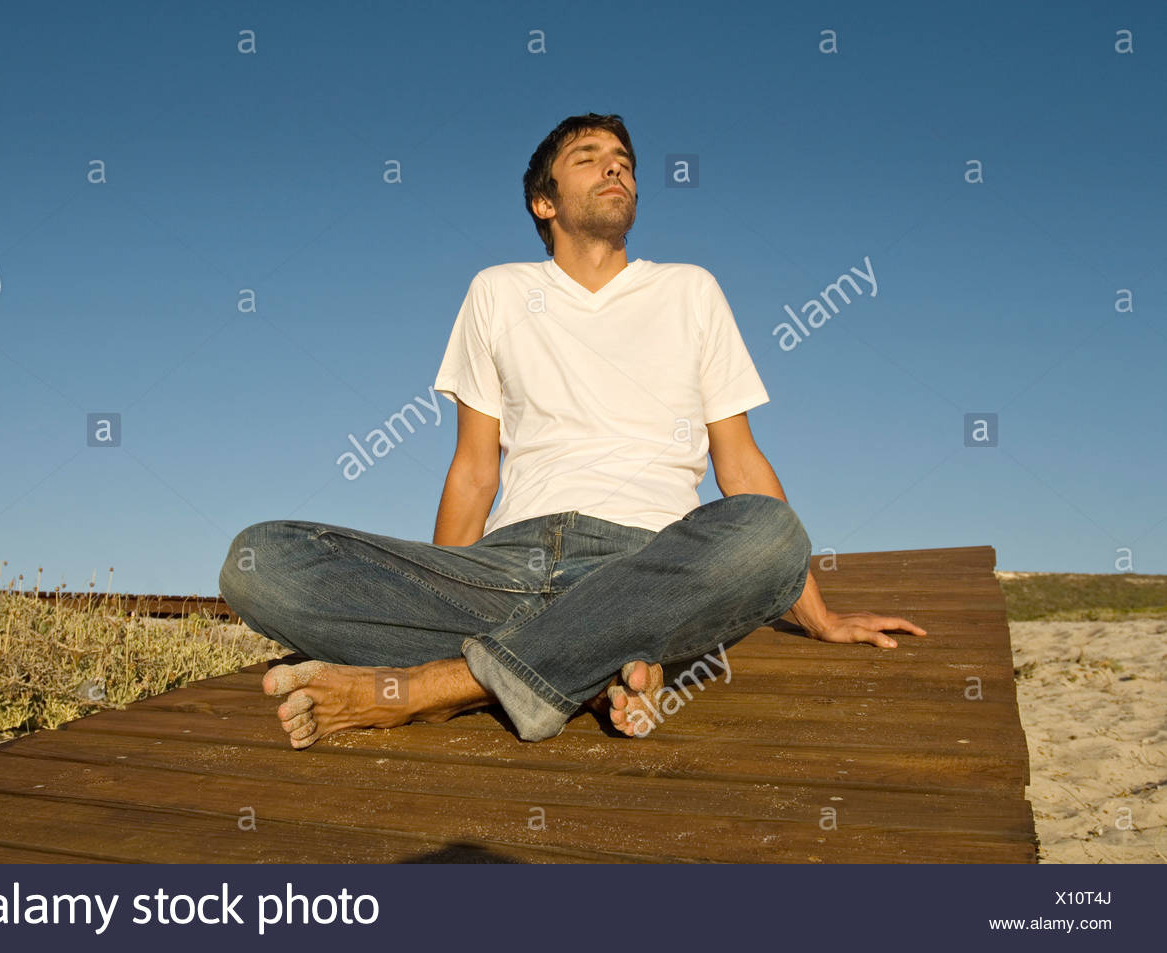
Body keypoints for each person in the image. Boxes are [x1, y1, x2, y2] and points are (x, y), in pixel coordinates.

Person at [218, 112, 926, 750]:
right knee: (261, 560)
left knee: (771, 534)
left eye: (624, 161)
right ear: (544, 201)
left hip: (645, 563)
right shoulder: (497, 291)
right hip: (507, 566)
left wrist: (818, 615)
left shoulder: (690, 290)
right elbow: (475, 470)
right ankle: (588, 662)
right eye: (588, 158)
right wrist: (444, 583)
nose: (616, 167)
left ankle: (436, 688)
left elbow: (739, 463)